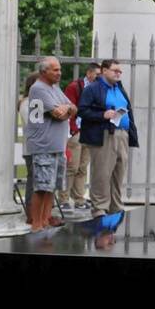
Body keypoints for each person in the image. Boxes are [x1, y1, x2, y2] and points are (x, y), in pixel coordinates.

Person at [79, 59, 139, 216]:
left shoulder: (119, 88)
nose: (118, 73)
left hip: (122, 135)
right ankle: (99, 208)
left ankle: (116, 206)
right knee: (102, 173)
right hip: (104, 134)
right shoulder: (93, 88)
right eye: (115, 70)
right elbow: (82, 111)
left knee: (119, 172)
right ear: (104, 71)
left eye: (120, 71)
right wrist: (102, 115)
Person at [24, 57, 76, 232]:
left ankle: (45, 221)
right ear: (44, 71)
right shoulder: (38, 88)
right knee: (41, 187)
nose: (59, 73)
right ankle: (36, 226)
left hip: (57, 146)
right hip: (43, 146)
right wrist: (66, 109)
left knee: (51, 187)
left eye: (59, 69)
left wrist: (67, 108)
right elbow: (57, 114)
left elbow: (73, 108)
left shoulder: (54, 88)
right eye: (55, 70)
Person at [62, 62, 99, 210]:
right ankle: (64, 199)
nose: (99, 77)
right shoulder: (74, 87)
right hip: (76, 131)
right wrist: (72, 130)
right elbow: (68, 108)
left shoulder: (97, 89)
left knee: (83, 168)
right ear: (89, 73)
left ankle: (79, 199)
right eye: (97, 74)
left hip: (89, 132)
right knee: (72, 167)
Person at [17, 70, 39, 224]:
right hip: (33, 149)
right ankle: (31, 213)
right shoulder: (26, 103)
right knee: (34, 180)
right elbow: (34, 124)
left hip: (41, 147)